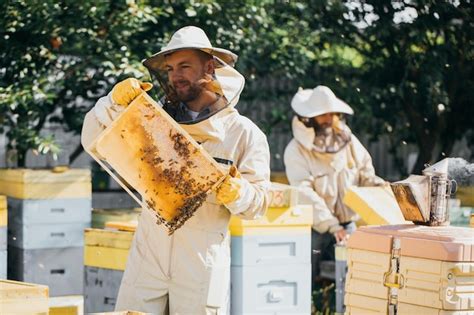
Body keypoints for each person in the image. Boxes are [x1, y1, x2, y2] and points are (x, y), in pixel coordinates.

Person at [81, 26, 270, 314]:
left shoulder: (242, 133)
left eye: (184, 66)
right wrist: (111, 103)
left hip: (200, 264)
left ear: (209, 67)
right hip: (149, 256)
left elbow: (259, 203)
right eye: (170, 69)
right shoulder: (153, 118)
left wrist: (237, 191)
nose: (175, 76)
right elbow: (92, 139)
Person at [283, 85, 385, 281]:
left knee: (355, 279)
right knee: (307, 278)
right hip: (314, 227)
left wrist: (382, 188)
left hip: (347, 225)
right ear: (308, 118)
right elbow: (304, 192)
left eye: (332, 114)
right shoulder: (296, 151)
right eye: (323, 115)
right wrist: (331, 225)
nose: (329, 119)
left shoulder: (348, 141)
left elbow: (365, 173)